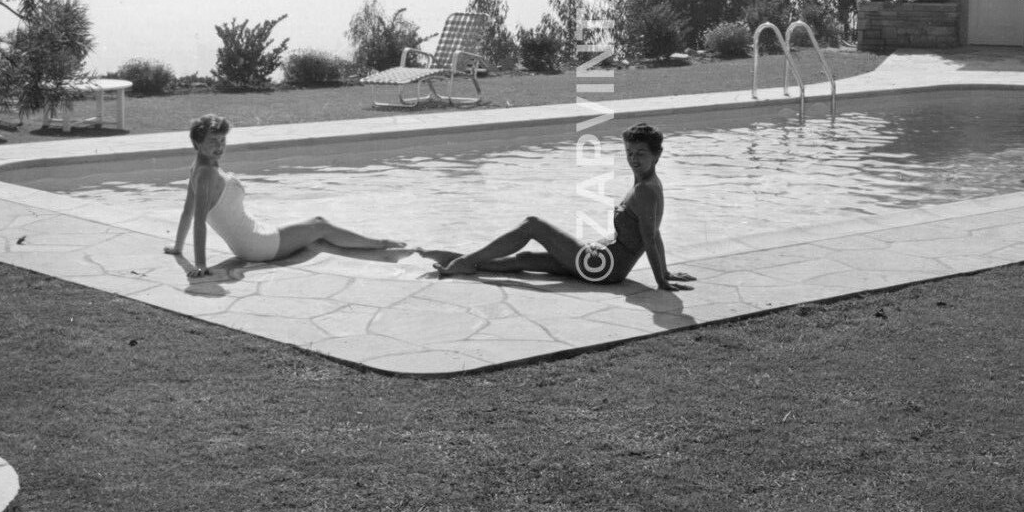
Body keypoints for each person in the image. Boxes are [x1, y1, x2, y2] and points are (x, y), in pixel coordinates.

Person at [428, 121, 695, 291]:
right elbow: (654, 231)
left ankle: (463, 261)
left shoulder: (645, 190)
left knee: (532, 224)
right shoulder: (648, 183)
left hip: (602, 266)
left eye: (641, 154)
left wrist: (661, 281)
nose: (634, 159)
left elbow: (649, 237)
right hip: (603, 263)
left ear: (657, 155)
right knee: (525, 260)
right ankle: (464, 263)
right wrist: (665, 271)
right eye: (629, 153)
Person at [166, 114, 402, 278]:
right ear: (197, 142)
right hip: (256, 245)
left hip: (253, 239)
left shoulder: (198, 168)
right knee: (319, 224)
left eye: (222, 140)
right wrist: (200, 264)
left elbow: (187, 212)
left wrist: (178, 248)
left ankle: (378, 251)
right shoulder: (206, 174)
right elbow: (197, 220)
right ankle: (381, 245)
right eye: (212, 141)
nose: (219, 146)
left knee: (319, 240)